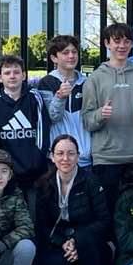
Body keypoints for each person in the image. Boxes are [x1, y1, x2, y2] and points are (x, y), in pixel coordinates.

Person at [82, 22, 133, 265]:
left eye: (126, 41)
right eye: (116, 41)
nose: (122, 45)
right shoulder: (95, 78)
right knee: (107, 217)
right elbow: (87, 120)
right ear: (107, 44)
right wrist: (99, 115)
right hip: (107, 158)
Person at [34, 134, 110, 265]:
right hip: (61, 239)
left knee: (84, 238)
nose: (65, 158)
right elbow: (42, 225)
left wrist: (76, 240)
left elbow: (104, 220)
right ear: (52, 156)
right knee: (48, 262)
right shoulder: (45, 184)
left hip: (90, 241)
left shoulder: (91, 181)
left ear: (78, 156)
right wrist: (63, 242)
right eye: (60, 153)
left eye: (71, 153)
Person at [0, 55, 49, 216]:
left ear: (24, 75)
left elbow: (43, 132)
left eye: (16, 72)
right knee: (9, 216)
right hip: (8, 174)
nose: (12, 76)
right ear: (0, 77)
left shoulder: (34, 97)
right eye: (7, 73)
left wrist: (36, 163)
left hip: (34, 172)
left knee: (34, 215)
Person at [37, 35, 92, 169]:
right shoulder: (46, 82)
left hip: (86, 158)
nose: (71, 56)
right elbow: (52, 117)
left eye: (74, 52)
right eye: (65, 52)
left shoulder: (87, 82)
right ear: (54, 58)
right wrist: (60, 97)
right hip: (60, 159)